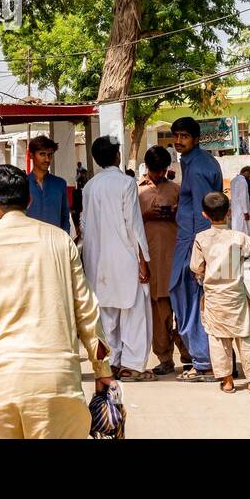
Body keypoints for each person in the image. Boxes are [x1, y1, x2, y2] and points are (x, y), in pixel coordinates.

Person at [0, 164, 113, 439]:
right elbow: (87, 309)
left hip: (1, 381)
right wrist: (102, 369)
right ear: (29, 200)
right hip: (57, 381)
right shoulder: (60, 240)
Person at [189, 191, 250, 394]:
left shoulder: (201, 238)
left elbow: (196, 267)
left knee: (218, 338)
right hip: (236, 296)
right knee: (246, 337)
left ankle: (227, 381)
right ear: (229, 212)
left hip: (214, 296)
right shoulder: (239, 237)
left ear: (205, 214)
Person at [82, 135, 154, 382]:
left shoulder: (89, 186)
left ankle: (111, 362)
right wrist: (143, 260)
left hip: (96, 260)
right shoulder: (126, 183)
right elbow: (133, 224)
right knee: (134, 312)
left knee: (106, 315)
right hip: (125, 257)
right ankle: (132, 364)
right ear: (116, 155)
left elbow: (84, 224)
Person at [170, 116, 223, 382]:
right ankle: (206, 360)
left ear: (196, 139)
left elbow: (205, 213)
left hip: (194, 243)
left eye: (184, 136)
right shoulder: (195, 163)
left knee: (189, 299)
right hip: (189, 240)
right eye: (176, 136)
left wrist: (199, 257)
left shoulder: (199, 167)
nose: (178, 141)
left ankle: (205, 363)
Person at [138, 145, 188, 376]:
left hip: (176, 258)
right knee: (160, 312)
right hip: (152, 260)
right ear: (148, 168)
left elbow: (187, 221)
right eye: (155, 170)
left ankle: (188, 353)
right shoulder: (137, 192)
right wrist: (145, 215)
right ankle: (164, 357)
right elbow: (128, 225)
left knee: (183, 308)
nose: (159, 174)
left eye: (162, 170)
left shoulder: (176, 190)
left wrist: (176, 212)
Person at [26, 134, 70, 232]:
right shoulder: (22, 184)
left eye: (50, 155)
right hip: (29, 242)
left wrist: (64, 237)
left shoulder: (59, 184)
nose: (47, 159)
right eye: (42, 154)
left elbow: (65, 217)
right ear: (31, 155)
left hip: (54, 243)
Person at [229, 166, 250, 235]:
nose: (249, 177)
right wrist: (245, 212)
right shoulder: (242, 181)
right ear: (246, 172)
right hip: (242, 212)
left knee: (237, 231)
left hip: (235, 211)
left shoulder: (233, 180)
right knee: (244, 232)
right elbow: (243, 197)